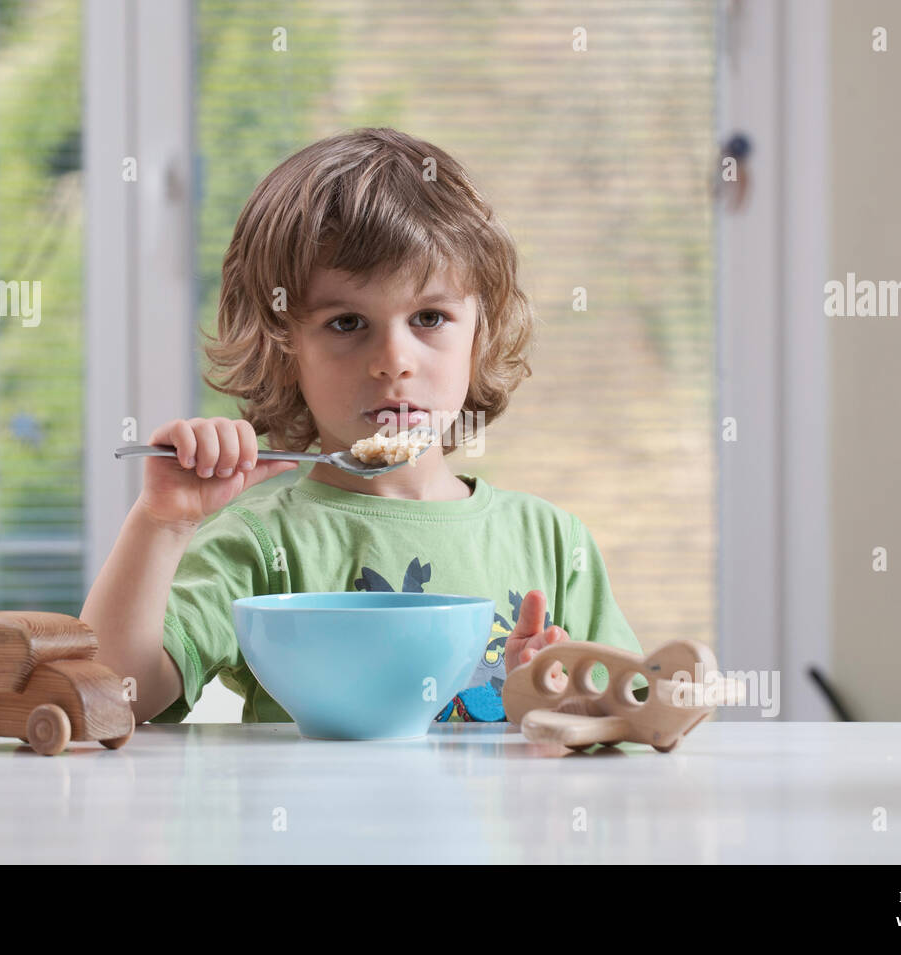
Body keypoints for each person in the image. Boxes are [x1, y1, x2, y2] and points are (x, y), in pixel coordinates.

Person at [81, 127, 648, 724]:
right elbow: (111, 694)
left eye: (430, 317)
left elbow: (633, 716)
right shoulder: (260, 545)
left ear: (480, 332)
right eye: (348, 323)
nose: (393, 360)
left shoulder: (554, 545)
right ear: (284, 349)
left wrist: (561, 700)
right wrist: (162, 524)